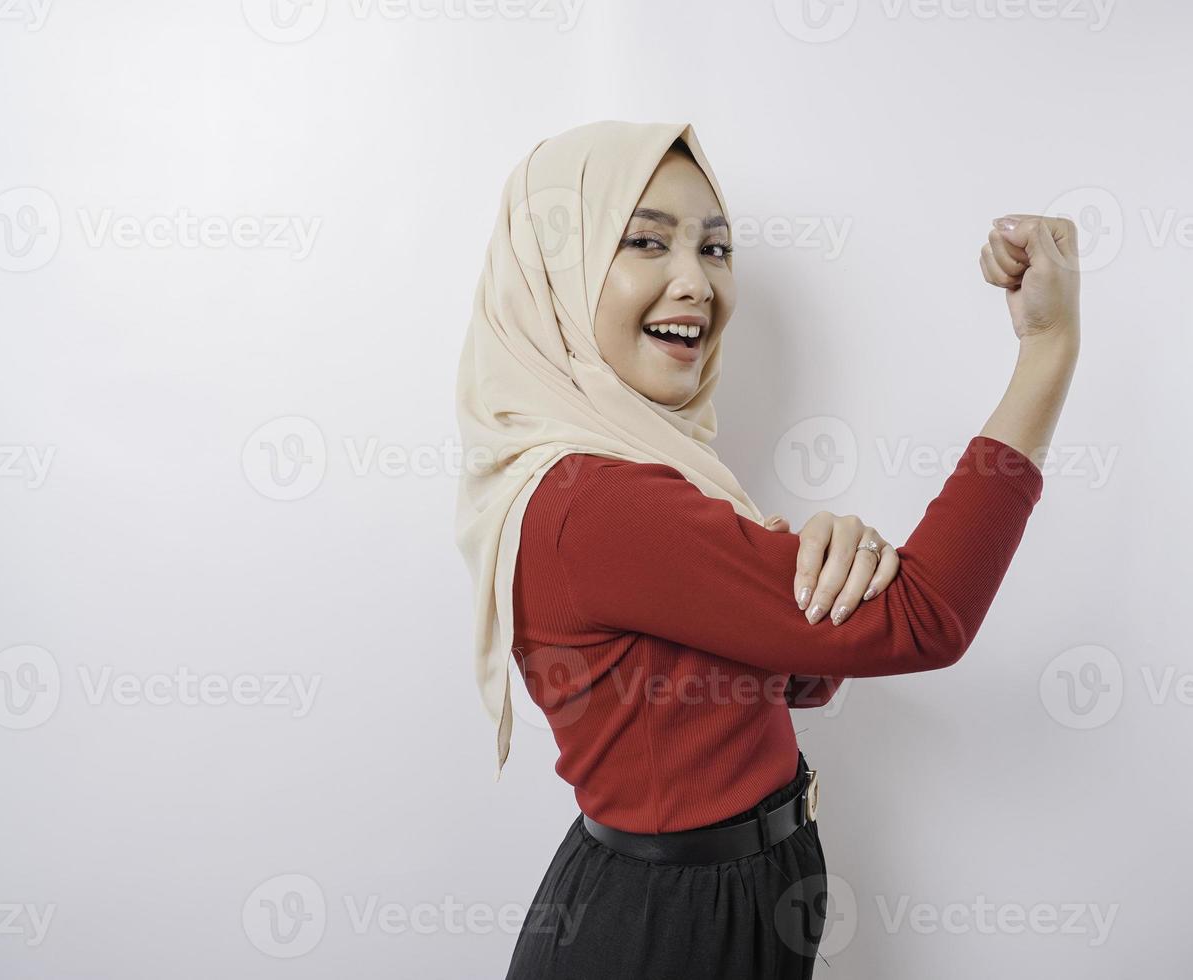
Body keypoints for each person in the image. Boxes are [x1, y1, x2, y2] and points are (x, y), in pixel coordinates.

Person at [454, 120, 1079, 979]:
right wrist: (1049, 349)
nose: (696, 282)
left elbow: (783, 673)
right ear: (552, 276)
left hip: (704, 909)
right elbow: (929, 620)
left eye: (715, 249)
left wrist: (823, 567)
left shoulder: (645, 473)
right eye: (645, 241)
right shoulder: (598, 502)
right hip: (662, 934)